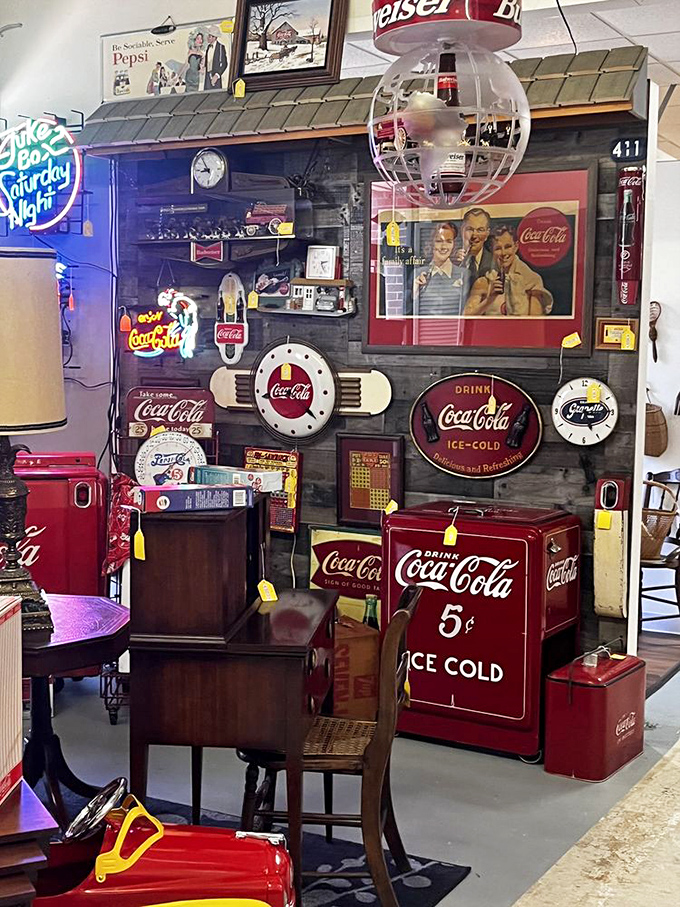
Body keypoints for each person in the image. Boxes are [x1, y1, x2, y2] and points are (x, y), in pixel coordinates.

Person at [464, 225, 554, 317]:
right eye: (498, 248)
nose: (503, 253)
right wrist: (489, 299)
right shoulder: (483, 282)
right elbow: (466, 318)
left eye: (508, 247)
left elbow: (536, 322)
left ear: (516, 246)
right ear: (492, 251)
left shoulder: (532, 280)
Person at [412, 222, 466, 317]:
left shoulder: (464, 274)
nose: (444, 247)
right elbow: (407, 311)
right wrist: (415, 292)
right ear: (431, 243)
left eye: (449, 241)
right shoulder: (417, 274)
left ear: (454, 245)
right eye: (439, 241)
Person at [455, 207, 495, 285]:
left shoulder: (495, 262)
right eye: (470, 229)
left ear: (487, 233)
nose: (474, 235)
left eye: (480, 230)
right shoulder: (451, 261)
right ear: (462, 230)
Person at [204, 25, 228, 90]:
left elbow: (224, 63)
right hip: (207, 77)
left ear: (214, 37)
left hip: (216, 77)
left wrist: (217, 75)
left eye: (209, 36)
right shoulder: (208, 47)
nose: (208, 37)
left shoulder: (221, 47)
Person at [183, 29, 206, 93]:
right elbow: (185, 65)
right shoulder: (190, 51)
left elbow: (202, 67)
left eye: (201, 39)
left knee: (195, 94)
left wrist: (202, 69)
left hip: (196, 78)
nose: (200, 40)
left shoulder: (202, 54)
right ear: (194, 40)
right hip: (189, 77)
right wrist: (177, 76)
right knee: (188, 93)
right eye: (198, 38)